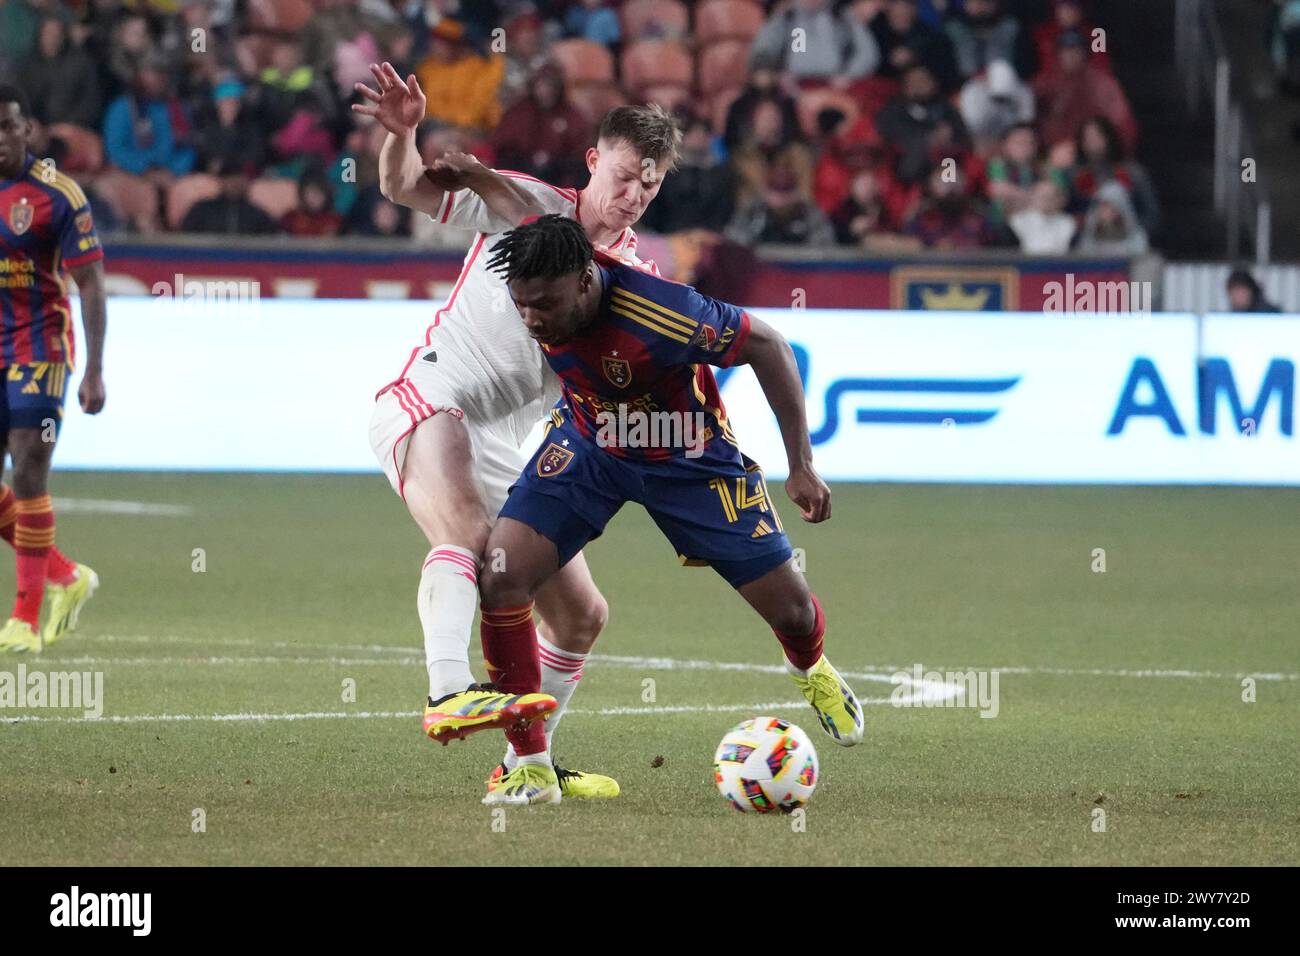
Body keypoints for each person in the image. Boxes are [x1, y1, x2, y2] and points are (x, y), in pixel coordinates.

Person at [353, 62, 678, 800]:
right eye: (624, 176)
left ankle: (526, 770)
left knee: (581, 615)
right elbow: (404, 187)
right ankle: (447, 692)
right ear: (594, 161)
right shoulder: (527, 202)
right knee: (467, 536)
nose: (633, 197)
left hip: (506, 449)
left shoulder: (634, 284)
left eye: (650, 185)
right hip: (432, 399)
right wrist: (403, 135)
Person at [473, 215, 865, 805]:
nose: (532, 319)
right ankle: (528, 765)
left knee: (792, 614)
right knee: (503, 575)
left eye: (544, 306)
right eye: (522, 304)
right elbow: (511, 198)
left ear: (585, 281)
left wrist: (802, 464)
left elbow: (769, 345)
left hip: (689, 459)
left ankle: (812, 670)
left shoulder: (660, 310)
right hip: (590, 446)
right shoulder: (539, 288)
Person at [0, 85, 104, 653]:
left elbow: (90, 282)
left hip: (40, 349)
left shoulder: (57, 194)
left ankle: (23, 620)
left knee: (28, 470)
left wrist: (95, 368)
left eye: (7, 127)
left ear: (27, 129)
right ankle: (67, 575)